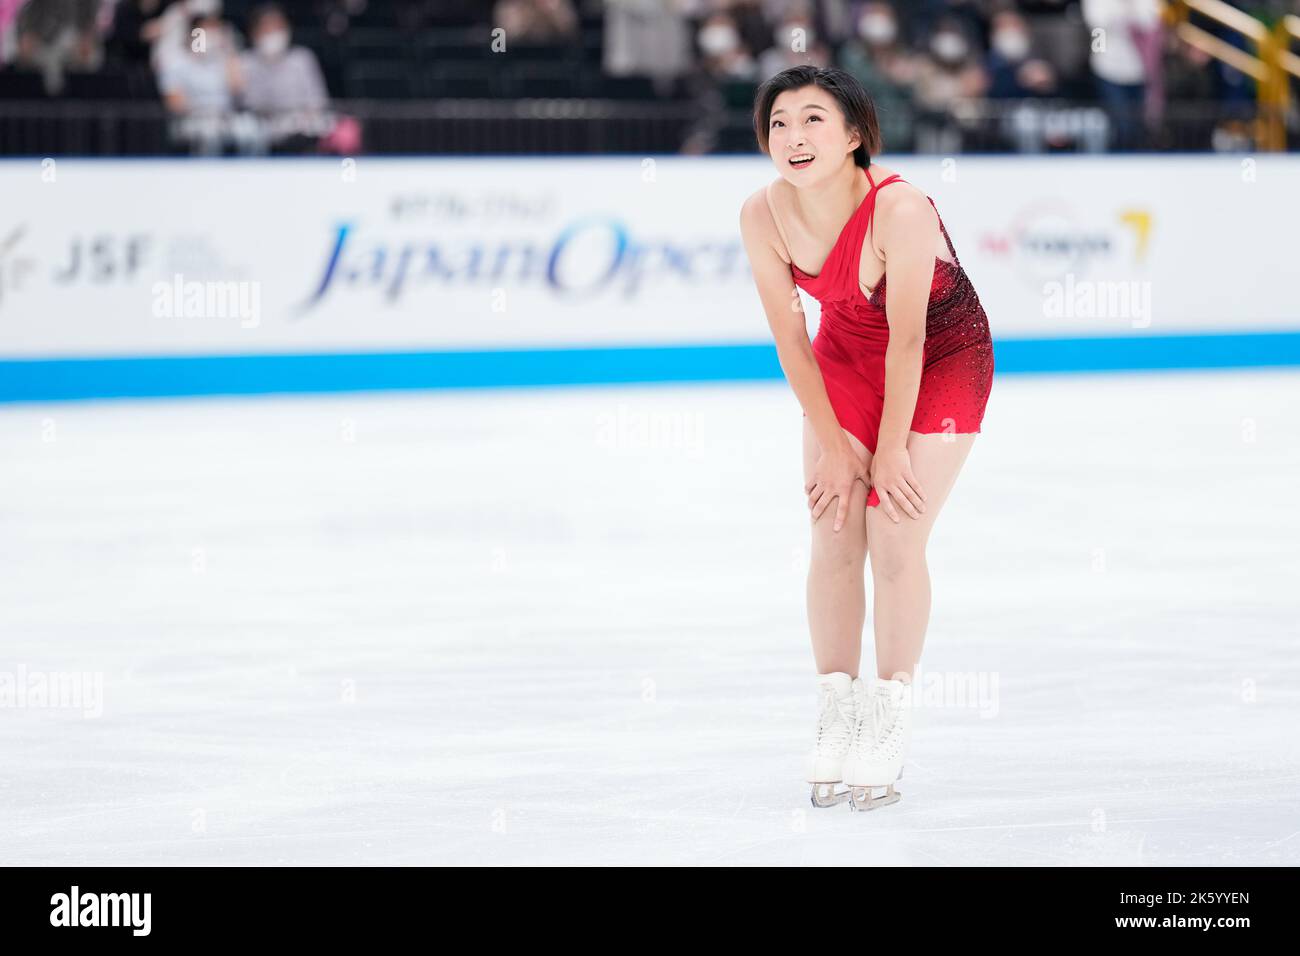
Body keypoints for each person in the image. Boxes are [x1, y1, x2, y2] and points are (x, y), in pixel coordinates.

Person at [738, 65, 994, 811]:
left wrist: (883, 452)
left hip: (943, 356)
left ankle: (890, 711)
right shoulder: (761, 214)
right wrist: (836, 441)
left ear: (854, 136)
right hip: (846, 354)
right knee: (835, 524)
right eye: (779, 122)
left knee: (894, 534)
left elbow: (911, 339)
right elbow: (790, 338)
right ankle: (836, 705)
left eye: (813, 119)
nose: (793, 135)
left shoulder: (901, 208)